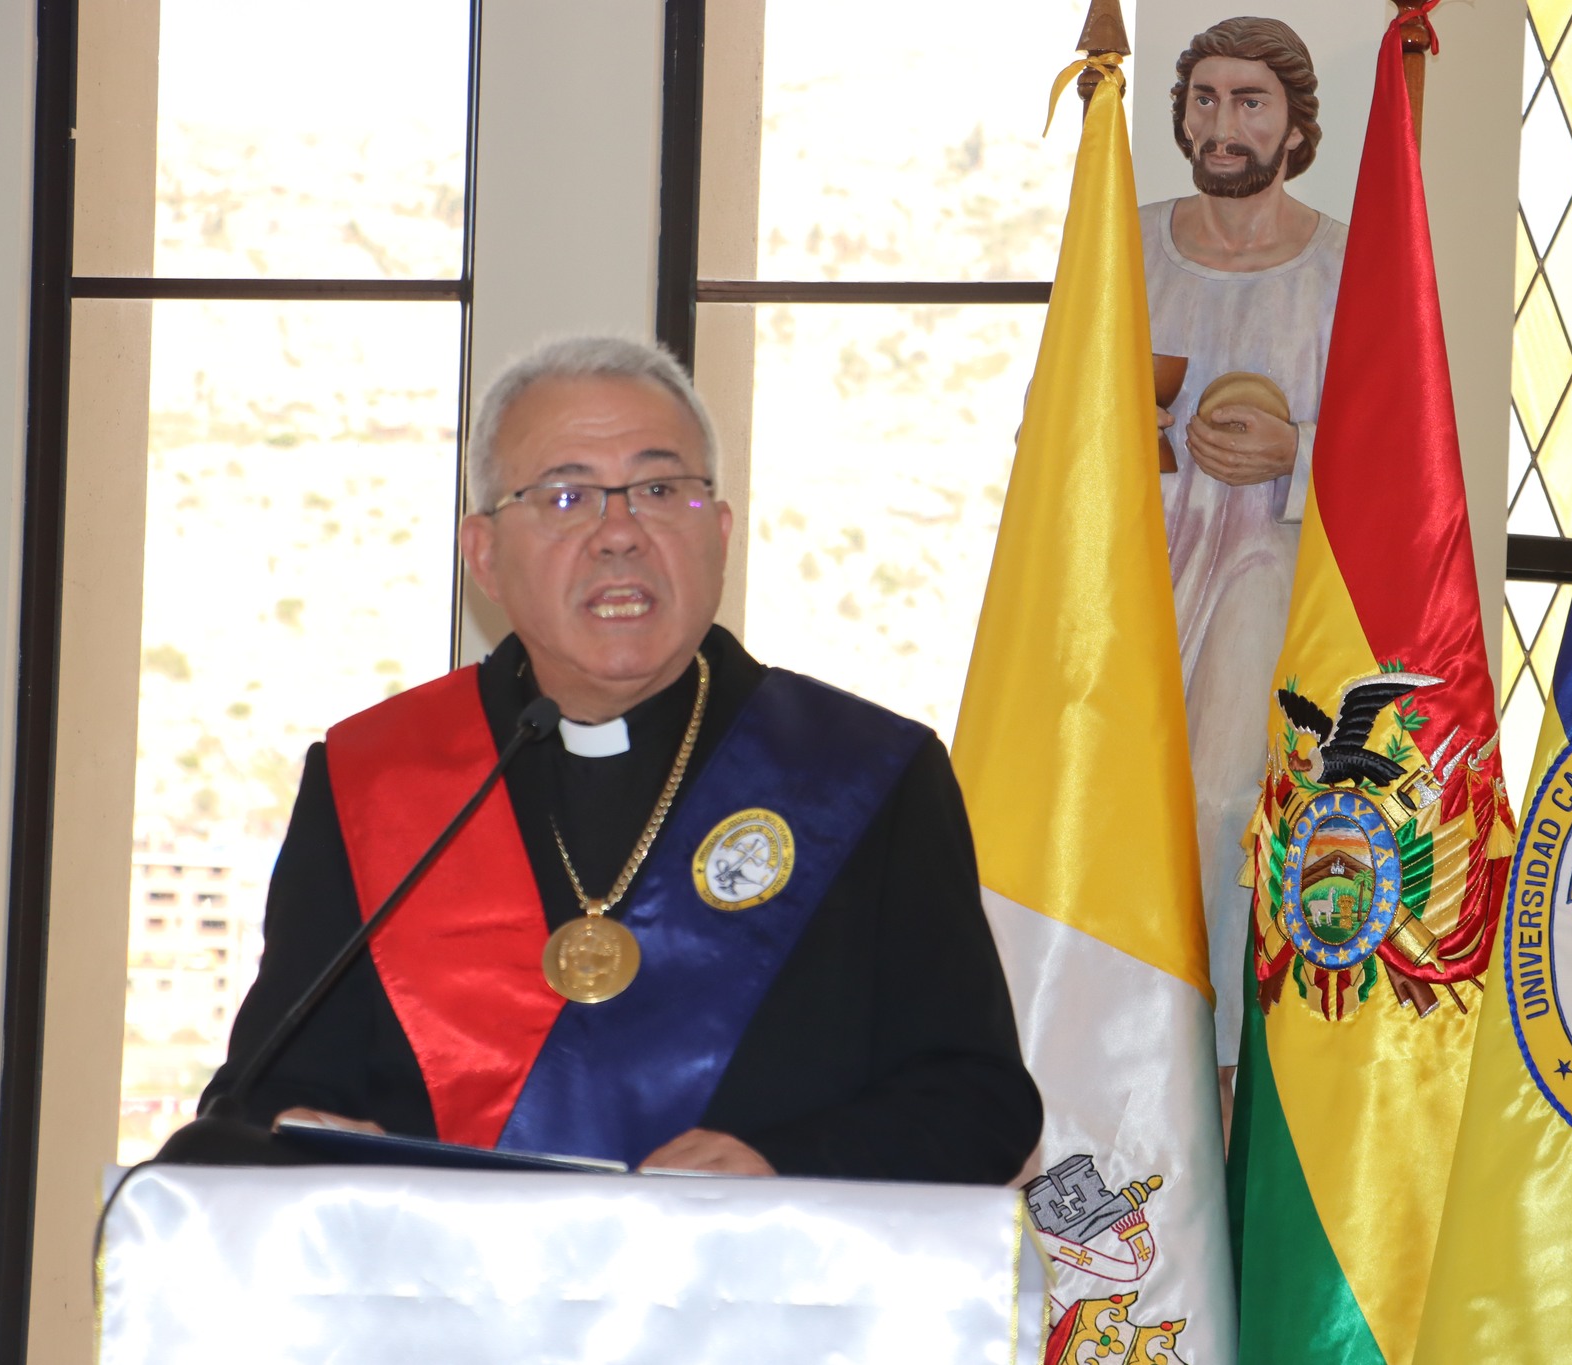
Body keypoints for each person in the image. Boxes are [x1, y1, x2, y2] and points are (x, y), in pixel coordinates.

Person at [202, 336, 1042, 1182]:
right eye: (566, 496)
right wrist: (291, 1124)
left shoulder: (864, 777)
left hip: (763, 1295)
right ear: (484, 554)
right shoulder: (375, 782)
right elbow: (266, 1091)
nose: (619, 535)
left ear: (718, 532)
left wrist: (779, 1165)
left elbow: (979, 1105)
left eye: (659, 489)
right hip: (445, 1300)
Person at [1145, 16, 1347, 1069]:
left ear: (1293, 127)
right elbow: (1049, 421)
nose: (1223, 124)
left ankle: (1219, 1062)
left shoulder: (1338, 267)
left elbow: (1397, 456)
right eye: (1205, 100)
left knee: (1225, 801)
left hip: (1267, 562)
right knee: (1121, 802)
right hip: (1135, 574)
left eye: (1249, 103)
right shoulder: (1125, 245)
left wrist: (1293, 447)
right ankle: (1117, 1049)